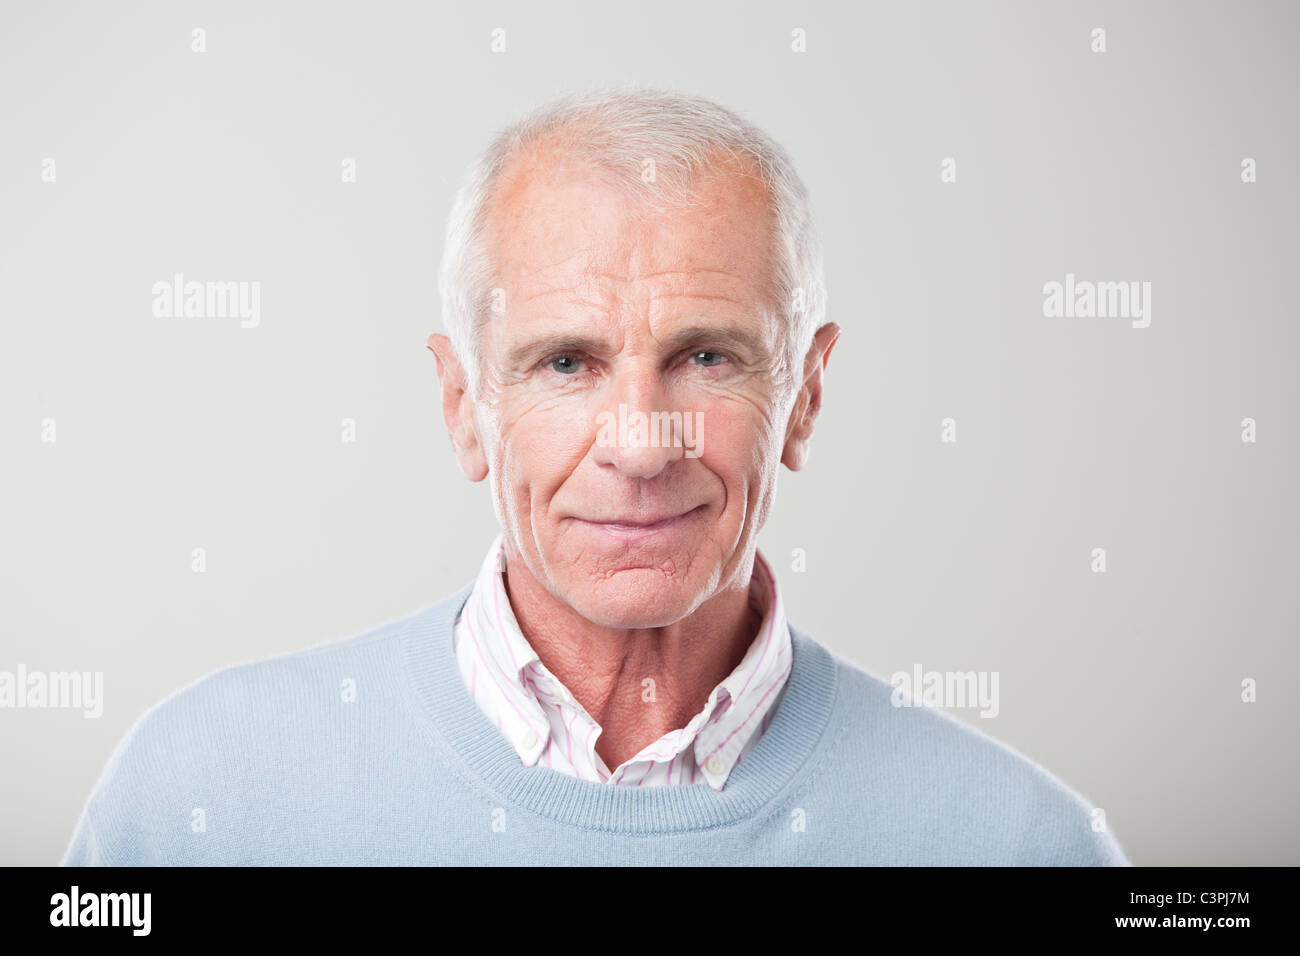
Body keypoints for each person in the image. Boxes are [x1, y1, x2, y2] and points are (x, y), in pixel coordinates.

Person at [62, 87, 1128, 865]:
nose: (640, 441)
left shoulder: (1021, 842)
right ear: (462, 404)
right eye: (566, 362)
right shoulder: (200, 793)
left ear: (803, 395)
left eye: (707, 356)